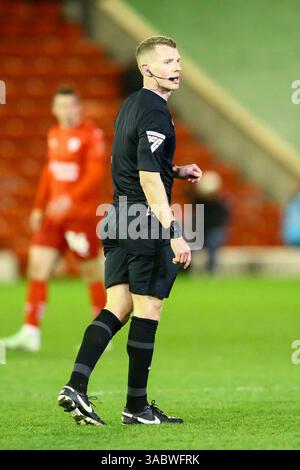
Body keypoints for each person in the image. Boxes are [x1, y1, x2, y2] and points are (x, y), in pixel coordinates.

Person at [57, 36, 202, 426]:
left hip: (118, 214)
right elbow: (147, 176)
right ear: (147, 68)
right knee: (149, 308)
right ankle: (136, 407)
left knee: (117, 307)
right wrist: (173, 230)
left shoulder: (130, 106)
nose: (176, 67)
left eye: (178, 59)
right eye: (168, 61)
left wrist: (176, 170)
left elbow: (131, 160)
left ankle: (76, 385)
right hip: (144, 219)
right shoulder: (156, 110)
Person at [2, 86, 107, 352]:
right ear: (53, 109)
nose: (66, 110)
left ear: (78, 108)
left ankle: (102, 333)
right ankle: (30, 331)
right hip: (53, 217)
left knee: (91, 272)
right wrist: (39, 206)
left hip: (80, 217)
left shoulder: (91, 135)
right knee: (37, 267)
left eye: (71, 105)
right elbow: (50, 173)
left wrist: (70, 199)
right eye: (61, 106)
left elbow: (95, 174)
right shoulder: (54, 134)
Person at [189, 171, 230, 274]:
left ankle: (211, 270)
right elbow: (190, 195)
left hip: (212, 229)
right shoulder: (199, 200)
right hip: (199, 229)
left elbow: (222, 219)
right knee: (189, 244)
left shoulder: (220, 202)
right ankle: (186, 269)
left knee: (213, 242)